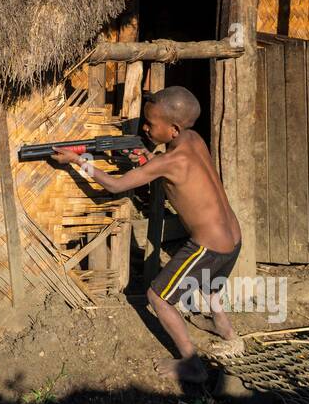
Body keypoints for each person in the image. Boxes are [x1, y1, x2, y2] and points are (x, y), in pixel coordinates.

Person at [52, 86, 241, 382]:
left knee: (158, 296)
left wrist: (79, 161)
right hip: (232, 237)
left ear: (174, 128)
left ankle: (191, 363)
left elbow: (115, 185)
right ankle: (224, 328)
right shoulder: (193, 140)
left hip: (208, 246)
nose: (145, 127)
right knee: (210, 280)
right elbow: (166, 167)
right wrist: (144, 155)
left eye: (151, 124)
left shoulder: (168, 161)